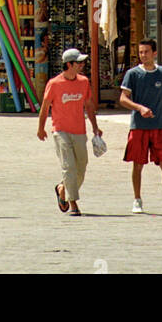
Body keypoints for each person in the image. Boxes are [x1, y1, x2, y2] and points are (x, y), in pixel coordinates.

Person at [119, 39, 162, 215]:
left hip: (159, 125)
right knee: (138, 163)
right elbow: (123, 98)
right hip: (138, 126)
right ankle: (137, 199)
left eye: (146, 52)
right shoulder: (132, 74)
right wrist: (139, 108)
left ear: (154, 53)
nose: (143, 55)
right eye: (140, 52)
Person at [37, 48, 102, 217]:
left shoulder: (84, 82)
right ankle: (73, 204)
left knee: (81, 166)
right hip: (60, 131)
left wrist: (95, 127)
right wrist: (41, 128)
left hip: (79, 131)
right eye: (78, 62)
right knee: (69, 167)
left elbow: (88, 105)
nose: (81, 65)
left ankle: (62, 189)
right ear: (69, 64)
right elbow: (45, 107)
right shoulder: (54, 84)